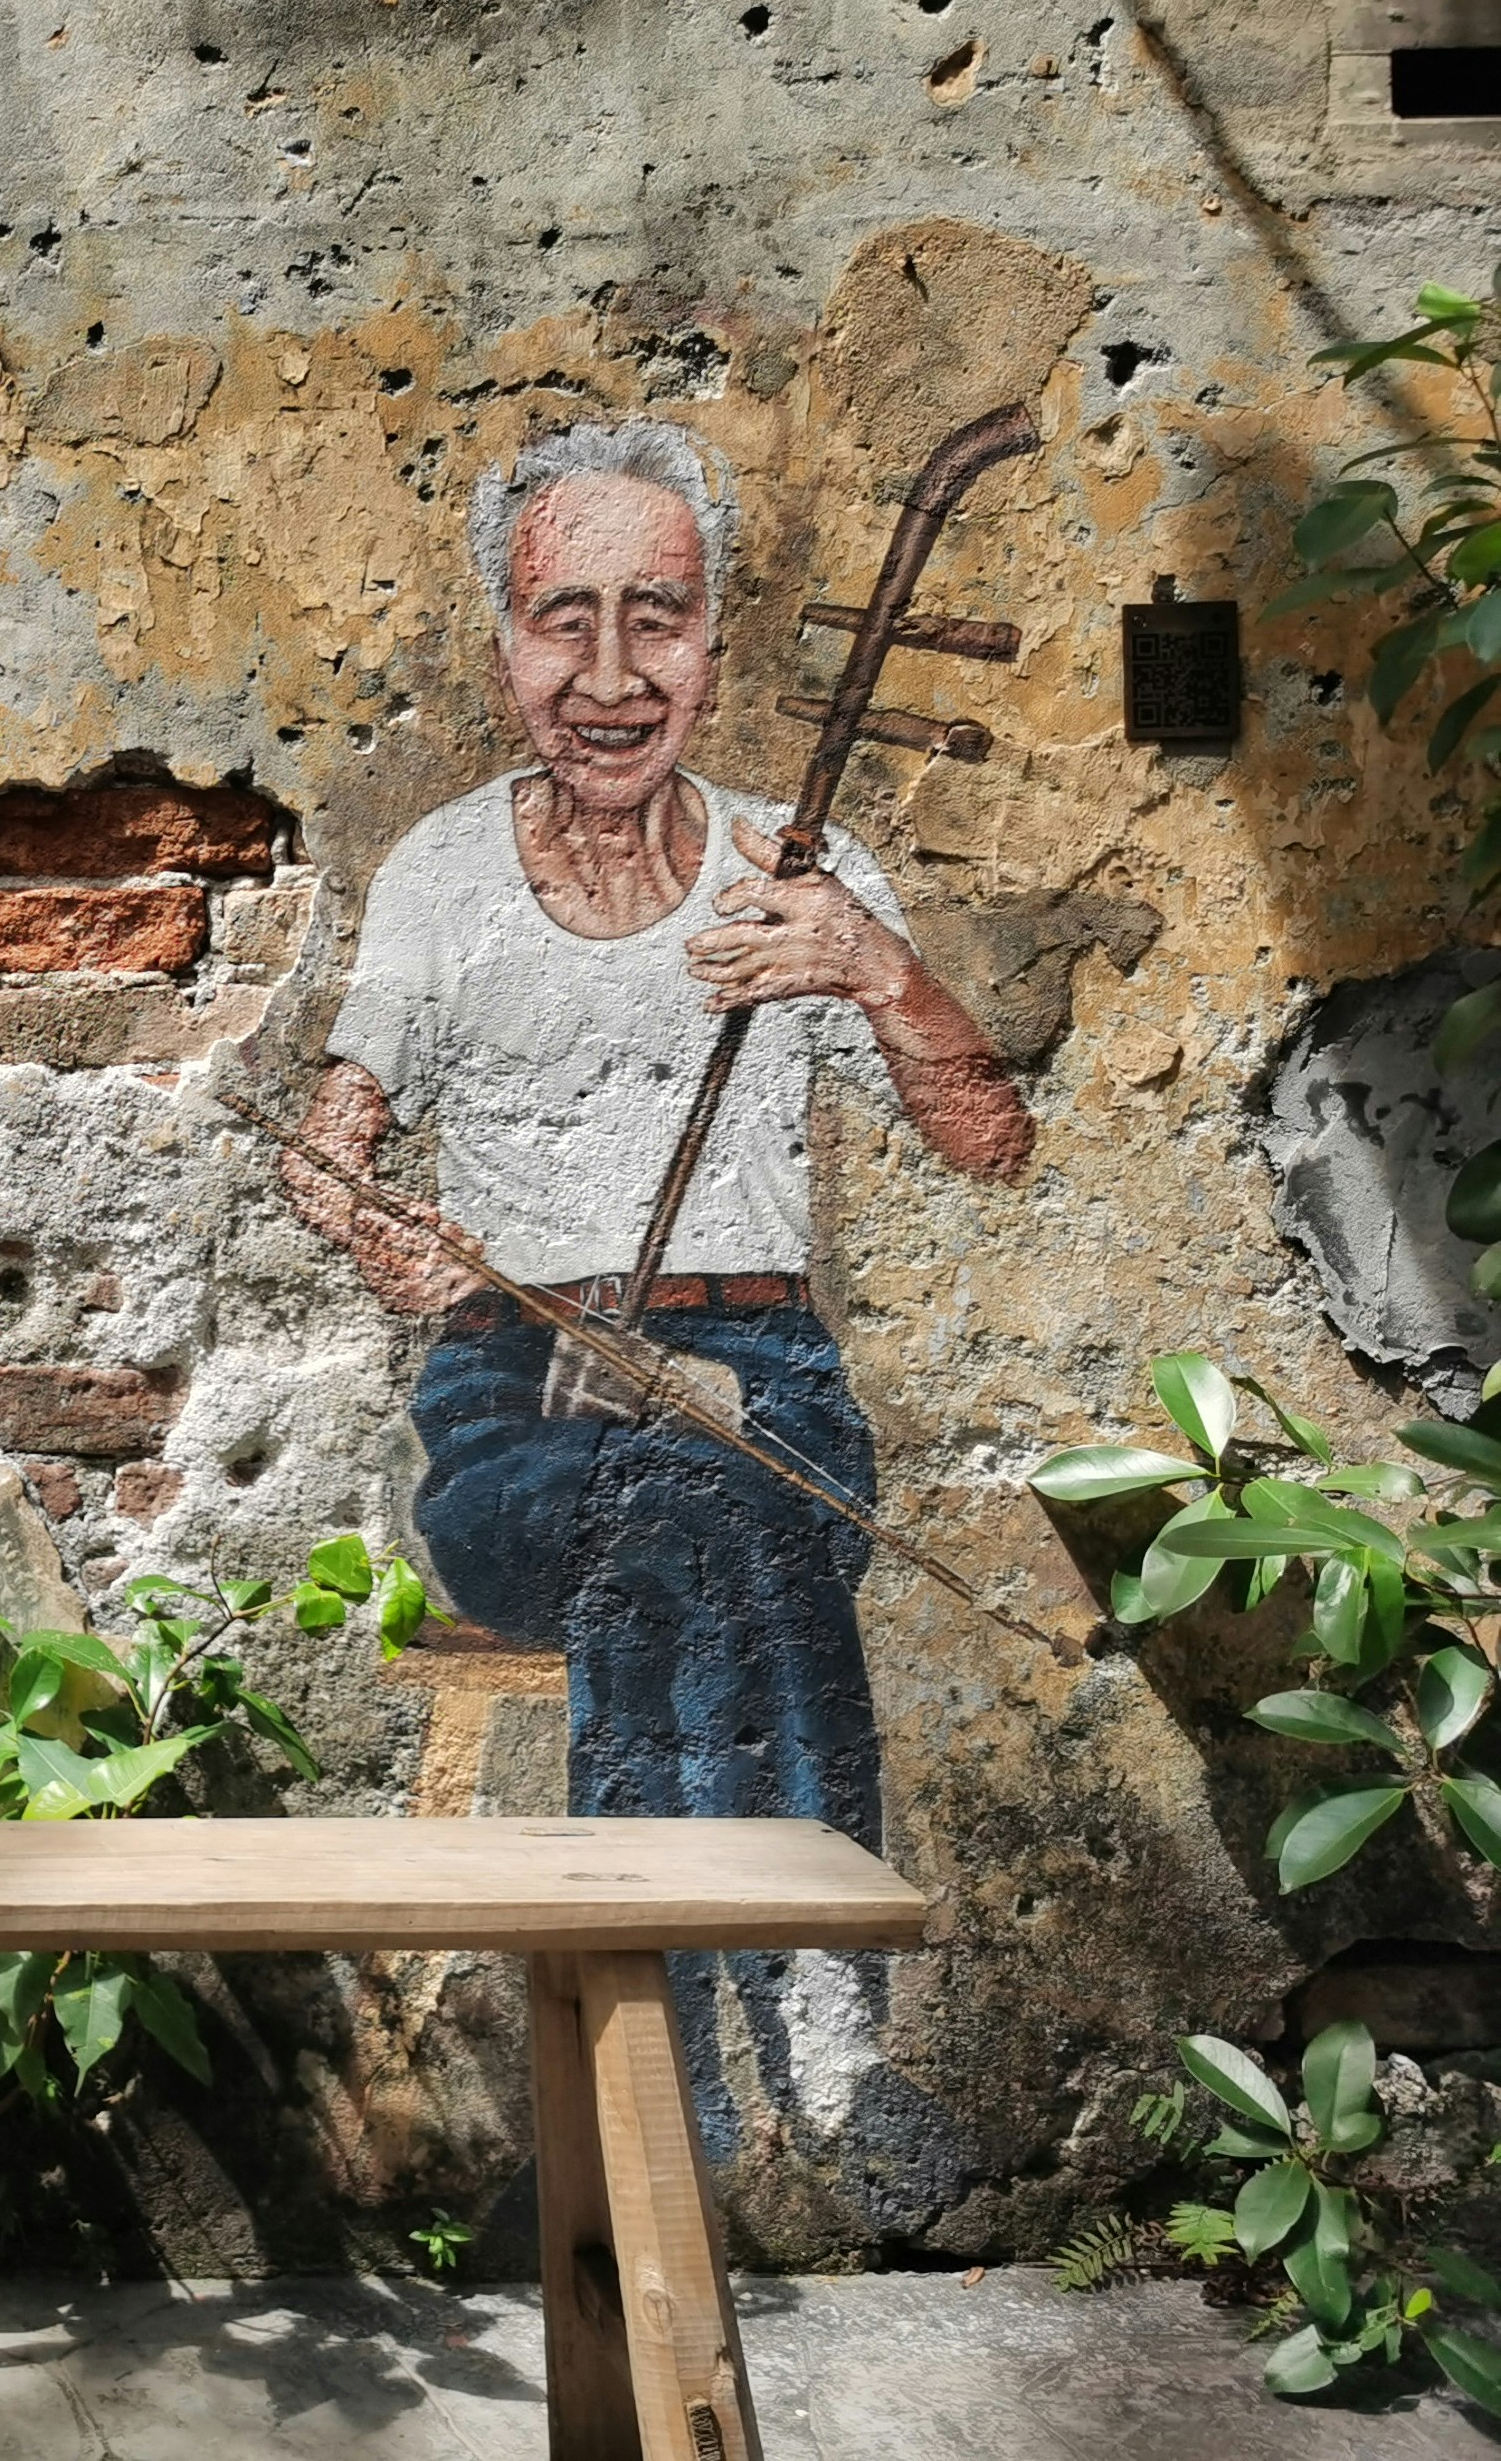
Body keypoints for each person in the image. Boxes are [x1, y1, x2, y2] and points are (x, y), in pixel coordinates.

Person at [276, 417, 1028, 2200]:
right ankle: (825, 2065)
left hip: (762, 1375)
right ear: (504, 644)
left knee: (701, 1497)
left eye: (658, 619)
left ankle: (650, 2095)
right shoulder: (445, 879)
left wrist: (875, 963)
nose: (610, 676)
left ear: (713, 643)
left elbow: (992, 1142)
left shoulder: (798, 866)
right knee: (680, 1511)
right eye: (565, 619)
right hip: (513, 1403)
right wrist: (402, 1242)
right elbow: (328, 1158)